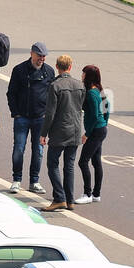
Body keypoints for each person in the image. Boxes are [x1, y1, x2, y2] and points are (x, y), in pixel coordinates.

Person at [6, 41, 55, 194]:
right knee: (19, 149)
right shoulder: (19, 70)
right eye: (39, 55)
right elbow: (11, 93)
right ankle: (16, 180)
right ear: (32, 53)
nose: (42, 58)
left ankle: (34, 181)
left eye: (44, 56)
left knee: (38, 150)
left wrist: (48, 115)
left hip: (40, 118)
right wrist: (16, 112)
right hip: (22, 118)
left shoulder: (49, 72)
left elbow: (52, 95)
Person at [40, 54, 85, 212]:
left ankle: (60, 198)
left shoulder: (56, 85)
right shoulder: (80, 84)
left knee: (52, 163)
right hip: (75, 130)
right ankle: (70, 200)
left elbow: (50, 113)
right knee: (69, 165)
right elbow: (81, 106)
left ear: (57, 67)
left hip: (60, 130)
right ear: (70, 67)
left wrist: (43, 133)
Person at [76, 64, 108, 205]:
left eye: (83, 74)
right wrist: (104, 123)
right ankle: (96, 194)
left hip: (95, 131)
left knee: (83, 161)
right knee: (96, 162)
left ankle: (87, 193)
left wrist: (87, 134)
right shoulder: (100, 90)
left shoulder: (91, 94)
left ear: (88, 76)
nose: (81, 76)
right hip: (101, 129)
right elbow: (107, 109)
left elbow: (94, 115)